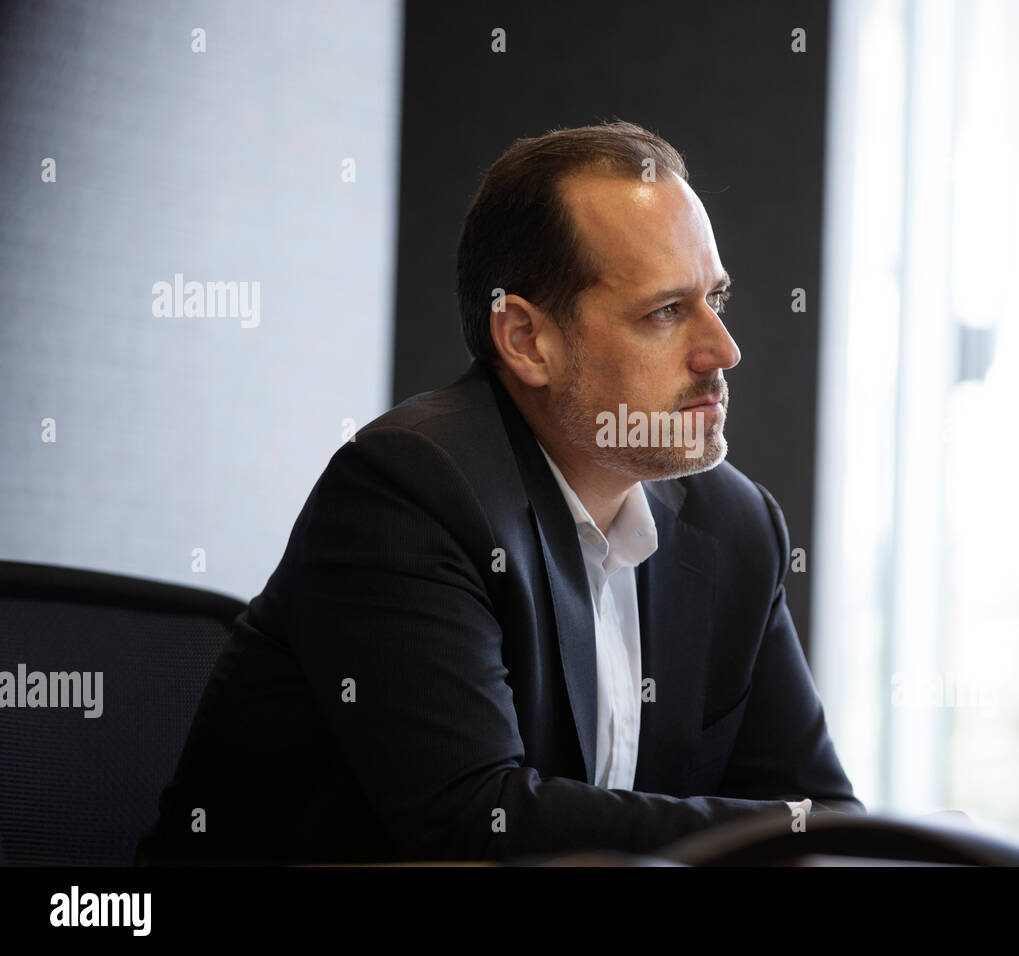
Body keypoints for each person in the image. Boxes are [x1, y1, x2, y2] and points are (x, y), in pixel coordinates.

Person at [136, 120, 863, 865]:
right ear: (525, 339)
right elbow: (475, 825)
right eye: (666, 312)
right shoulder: (407, 491)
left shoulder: (736, 525)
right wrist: (769, 835)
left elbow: (830, 817)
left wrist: (801, 833)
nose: (723, 350)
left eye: (718, 299)